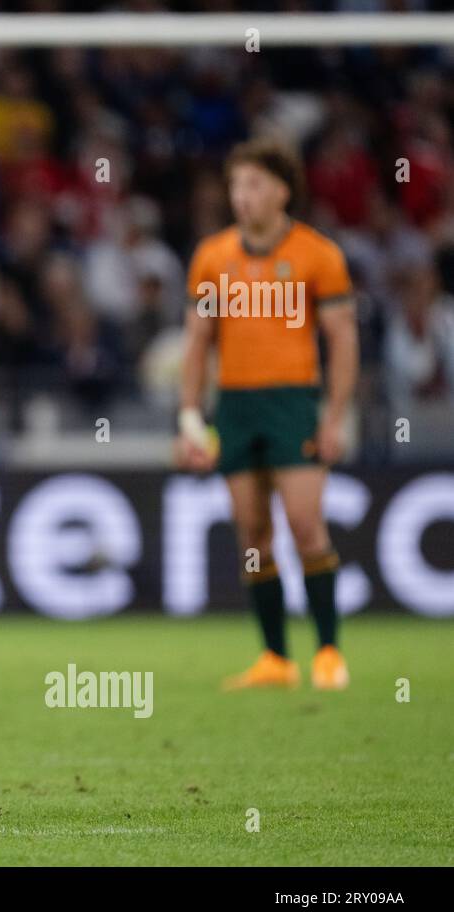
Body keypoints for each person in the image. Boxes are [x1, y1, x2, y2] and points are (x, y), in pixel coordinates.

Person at [177, 139, 358, 691]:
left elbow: (343, 340)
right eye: (236, 185)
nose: (242, 196)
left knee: (306, 526)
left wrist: (334, 417)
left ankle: (328, 651)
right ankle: (275, 658)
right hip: (235, 405)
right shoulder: (213, 257)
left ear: (282, 190)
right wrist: (190, 416)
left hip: (292, 402)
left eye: (254, 184)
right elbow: (198, 342)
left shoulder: (317, 255)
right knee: (253, 535)